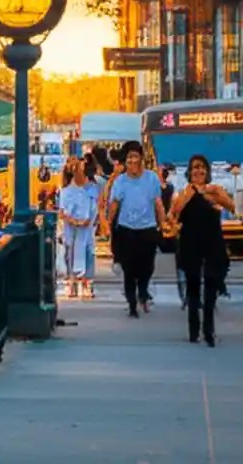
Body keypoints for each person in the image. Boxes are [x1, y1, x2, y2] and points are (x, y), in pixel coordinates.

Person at [168, 154, 233, 346]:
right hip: (191, 243)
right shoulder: (184, 192)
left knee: (211, 284)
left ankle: (209, 329)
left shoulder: (216, 190)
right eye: (195, 167)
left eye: (202, 167)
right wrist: (188, 196)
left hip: (212, 242)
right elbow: (174, 214)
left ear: (207, 171)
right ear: (190, 172)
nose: (199, 171)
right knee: (193, 286)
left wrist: (216, 198)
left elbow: (231, 205)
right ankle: (193, 329)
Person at [106, 141, 167, 318]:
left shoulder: (151, 179)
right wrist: (108, 226)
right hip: (126, 230)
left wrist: (163, 224)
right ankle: (132, 303)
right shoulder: (120, 182)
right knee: (129, 269)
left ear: (141, 159)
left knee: (147, 267)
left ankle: (143, 290)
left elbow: (158, 203)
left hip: (147, 228)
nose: (132, 162)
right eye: (129, 159)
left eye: (135, 157)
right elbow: (114, 205)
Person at [58, 162, 99, 299]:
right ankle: (71, 282)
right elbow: (62, 212)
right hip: (70, 229)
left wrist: (89, 221)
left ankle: (87, 283)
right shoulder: (65, 191)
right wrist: (74, 221)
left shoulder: (92, 189)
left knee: (88, 252)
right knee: (69, 252)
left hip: (87, 228)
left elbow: (95, 207)